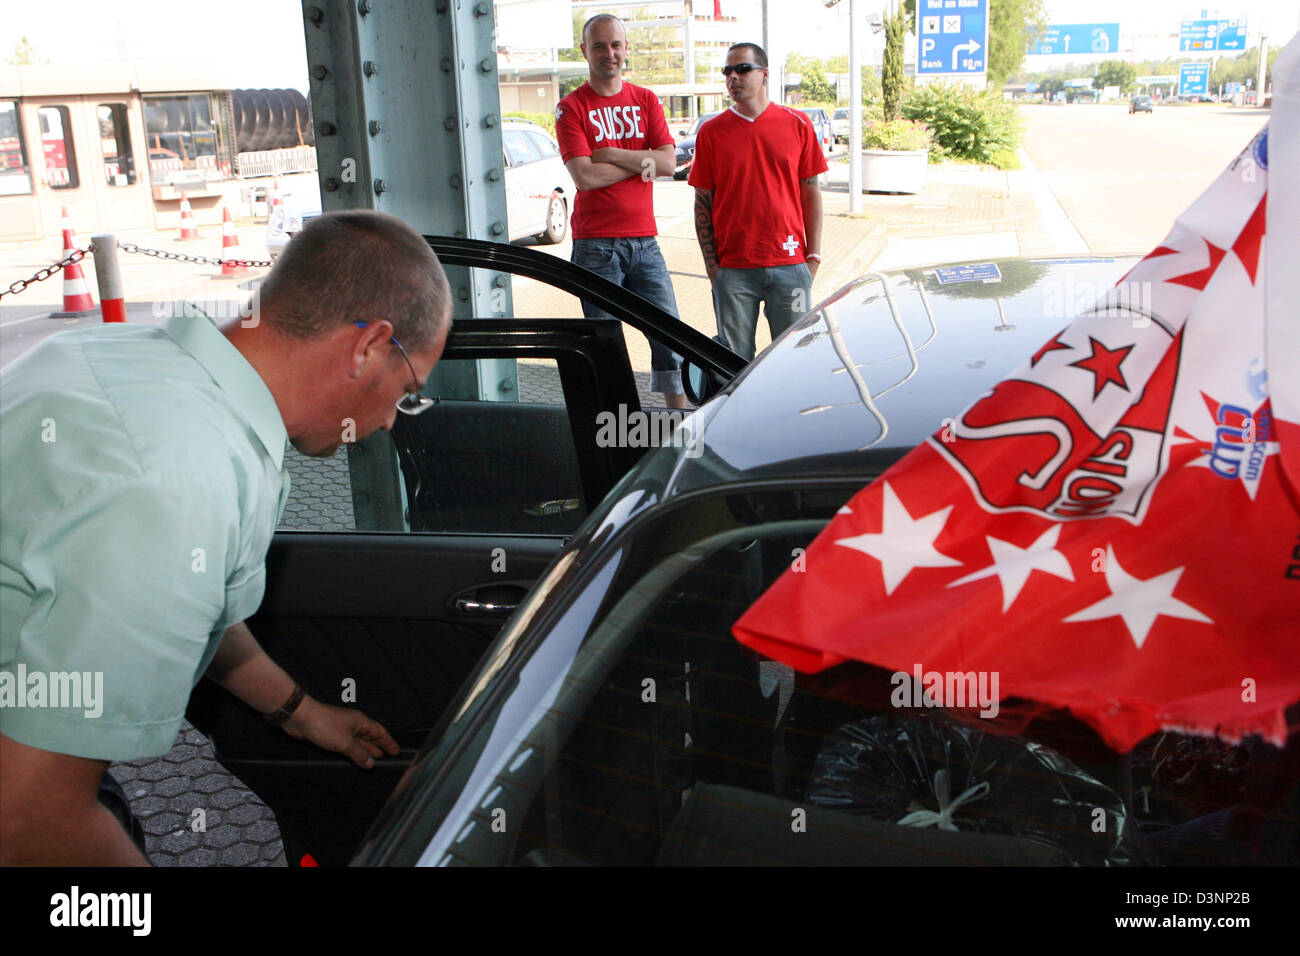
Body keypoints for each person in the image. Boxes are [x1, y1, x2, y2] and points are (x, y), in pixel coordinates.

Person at [0, 210, 451, 865]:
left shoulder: (125, 355)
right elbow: (29, 822)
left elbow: (186, 585)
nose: (388, 423)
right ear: (369, 345)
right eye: (406, 392)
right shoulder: (176, 479)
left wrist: (301, 712)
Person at [555, 13, 686, 409]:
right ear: (584, 52)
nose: (608, 53)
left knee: (670, 337)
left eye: (615, 44)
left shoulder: (645, 100)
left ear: (626, 49)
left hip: (645, 241)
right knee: (604, 345)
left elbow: (668, 164)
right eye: (599, 46)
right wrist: (640, 162)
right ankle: (618, 433)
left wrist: (611, 154)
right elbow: (585, 178)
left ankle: (678, 428)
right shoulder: (571, 107)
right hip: (595, 247)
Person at [690, 42, 828, 361]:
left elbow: (811, 192)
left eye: (742, 69)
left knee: (795, 358)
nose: (733, 77)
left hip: (791, 268)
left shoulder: (798, 124)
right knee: (733, 364)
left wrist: (814, 257)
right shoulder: (711, 132)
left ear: (764, 74)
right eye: (727, 71)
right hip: (734, 272)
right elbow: (702, 203)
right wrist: (714, 268)